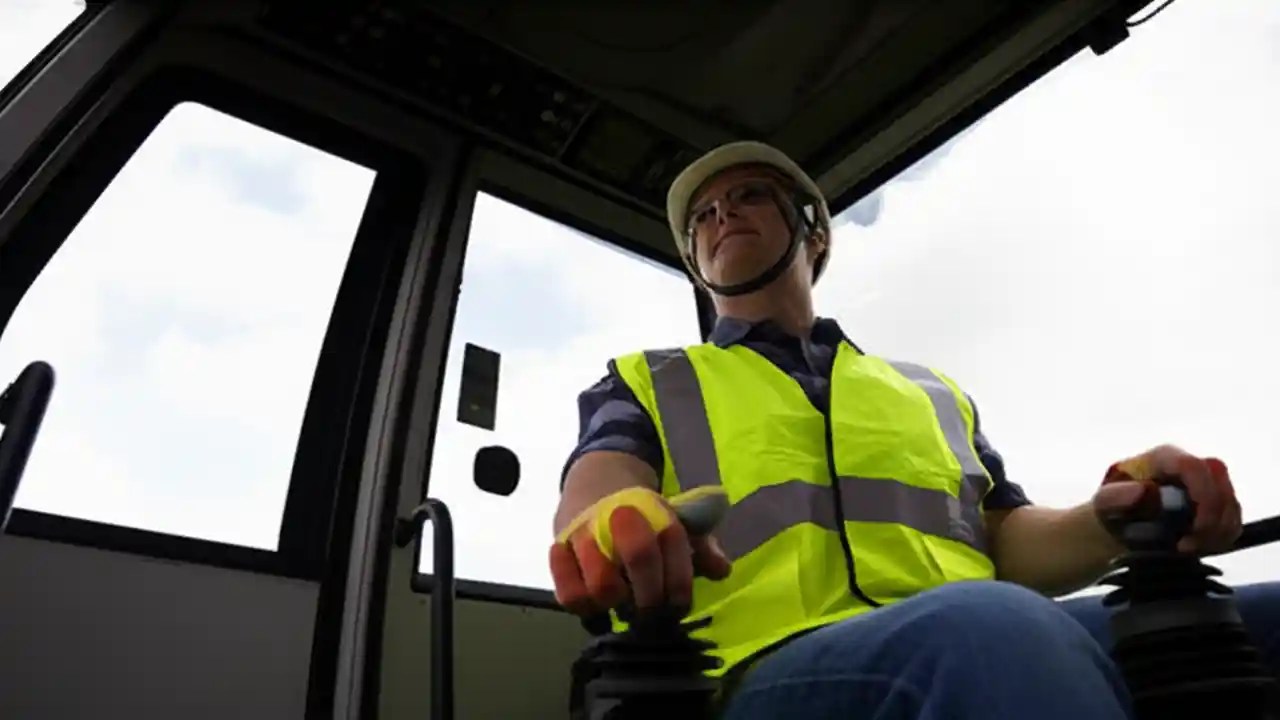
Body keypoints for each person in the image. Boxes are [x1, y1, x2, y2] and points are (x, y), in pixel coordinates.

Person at [549, 140, 1279, 719]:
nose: (721, 216)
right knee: (991, 628)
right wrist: (610, 519)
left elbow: (1005, 540)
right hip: (754, 668)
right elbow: (600, 483)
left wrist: (1114, 512)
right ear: (694, 264)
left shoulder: (931, 392)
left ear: (814, 233)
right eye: (702, 215)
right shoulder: (650, 377)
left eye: (747, 196)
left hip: (980, 626)